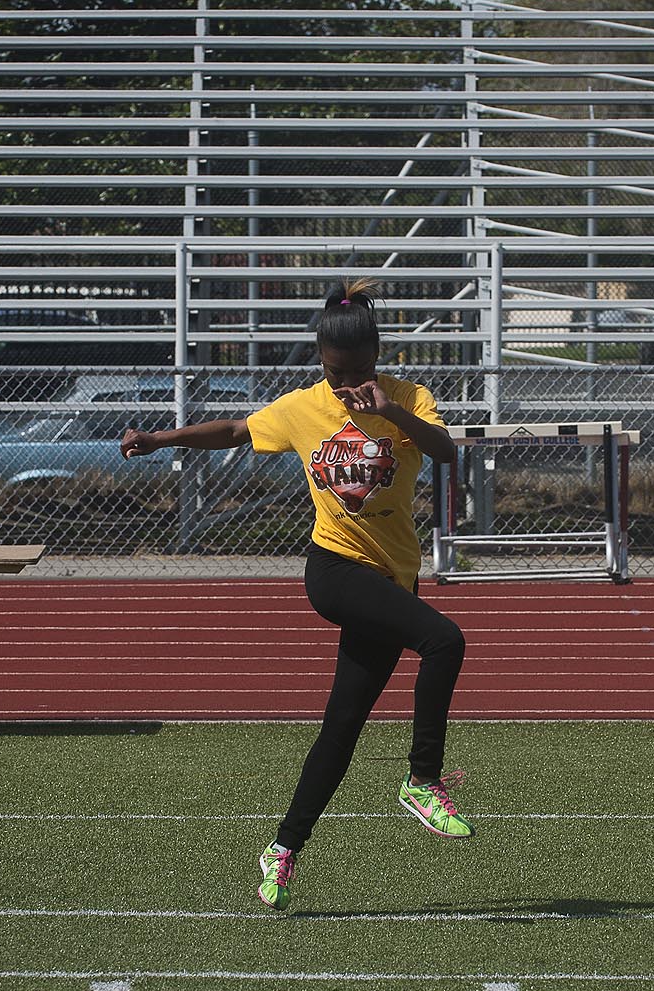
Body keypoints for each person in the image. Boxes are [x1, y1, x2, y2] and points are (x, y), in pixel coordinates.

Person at [119, 277, 472, 913]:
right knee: (444, 639)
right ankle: (423, 780)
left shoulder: (408, 398)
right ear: (321, 361)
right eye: (338, 374)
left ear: (378, 358)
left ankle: (282, 849)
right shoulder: (304, 408)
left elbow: (445, 453)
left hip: (392, 574)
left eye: (360, 371)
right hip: (334, 569)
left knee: (342, 725)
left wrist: (388, 413)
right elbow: (233, 431)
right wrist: (160, 439)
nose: (348, 385)